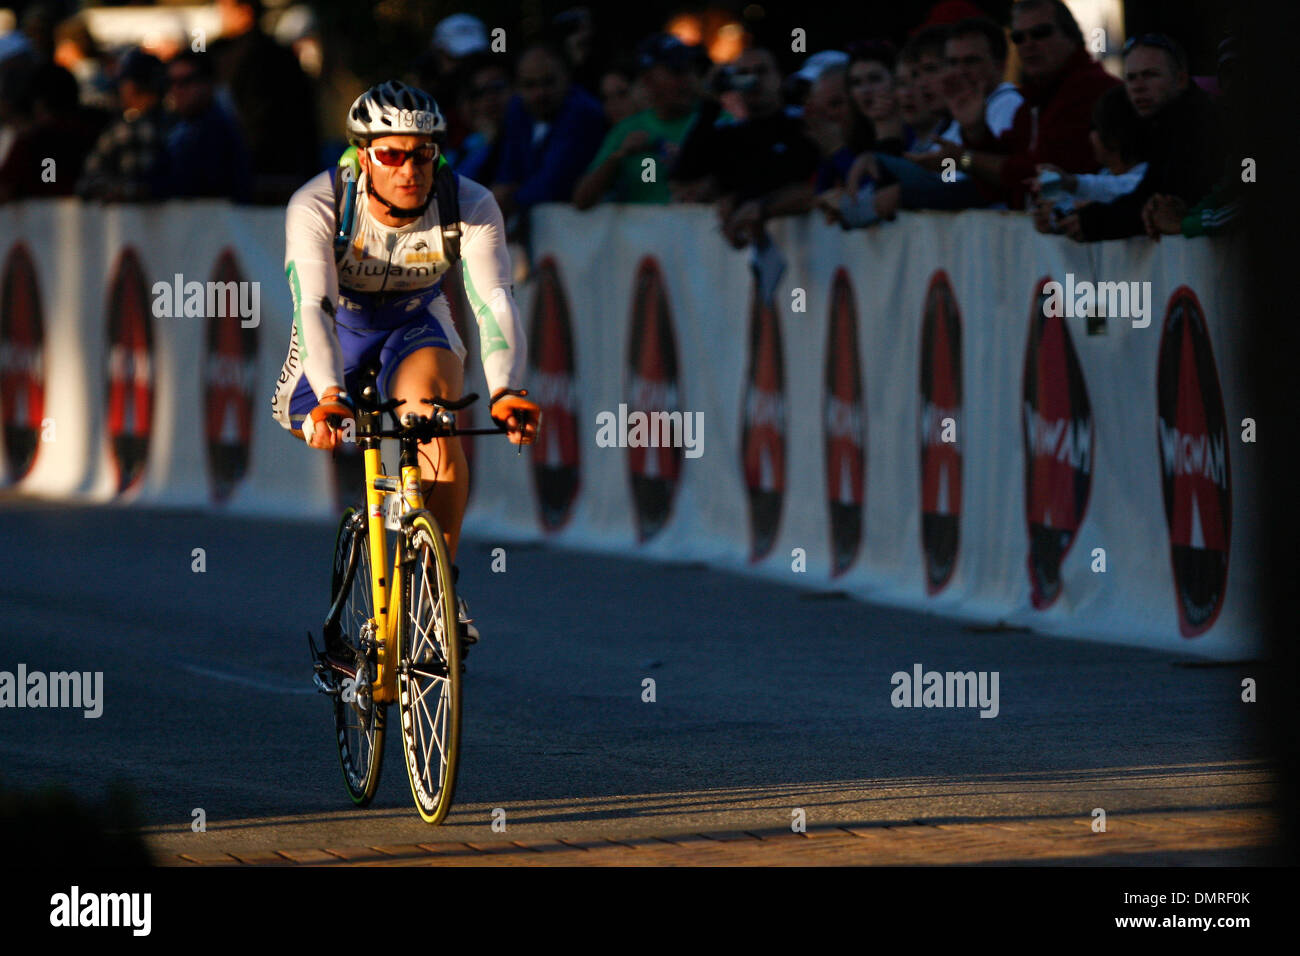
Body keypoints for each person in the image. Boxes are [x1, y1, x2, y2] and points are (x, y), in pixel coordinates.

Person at [269, 81, 540, 662]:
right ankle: (364, 555)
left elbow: (492, 301)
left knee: (433, 420)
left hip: (416, 320)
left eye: (424, 153)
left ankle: (435, 587)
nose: (410, 169)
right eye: (392, 154)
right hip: (339, 326)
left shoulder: (468, 201)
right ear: (363, 155)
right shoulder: (317, 203)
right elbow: (312, 305)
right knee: (322, 423)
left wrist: (507, 390)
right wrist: (330, 395)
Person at [1061, 34, 1224, 242]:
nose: (1138, 86)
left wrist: (1093, 221)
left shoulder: (1198, 124)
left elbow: (1171, 197)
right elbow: (1147, 196)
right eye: (1130, 77)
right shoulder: (1163, 125)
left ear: (1181, 80)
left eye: (1150, 75)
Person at [669, 45, 821, 249]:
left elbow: (816, 186)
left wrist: (761, 206)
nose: (754, 80)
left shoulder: (804, 125)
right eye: (743, 74)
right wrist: (710, 101)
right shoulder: (730, 136)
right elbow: (684, 176)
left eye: (762, 71)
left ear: (779, 77)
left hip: (812, 249)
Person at [572, 33, 702, 208]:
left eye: (690, 69)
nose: (688, 79)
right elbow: (581, 201)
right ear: (648, 80)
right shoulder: (627, 130)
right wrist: (618, 157)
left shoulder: (718, 121)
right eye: (677, 71)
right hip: (644, 234)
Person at [209, 0, 319, 202]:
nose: (220, 14)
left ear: (245, 10)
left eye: (224, 8)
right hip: (285, 171)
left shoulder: (243, 57)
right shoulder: (279, 54)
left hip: (260, 173)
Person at [492, 40, 606, 220]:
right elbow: (508, 173)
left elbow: (554, 184)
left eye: (548, 82)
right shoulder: (518, 110)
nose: (540, 93)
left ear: (567, 77)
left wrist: (509, 197)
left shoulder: (583, 113)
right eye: (530, 85)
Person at [76, 48, 170, 201]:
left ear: (131, 87)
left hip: (128, 222)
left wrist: (116, 191)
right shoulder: (173, 124)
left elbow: (134, 187)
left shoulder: (131, 129)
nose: (119, 90)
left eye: (122, 83)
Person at [161, 50, 252, 201]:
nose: (177, 90)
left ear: (208, 83)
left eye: (186, 81)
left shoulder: (219, 130)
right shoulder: (177, 127)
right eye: (171, 81)